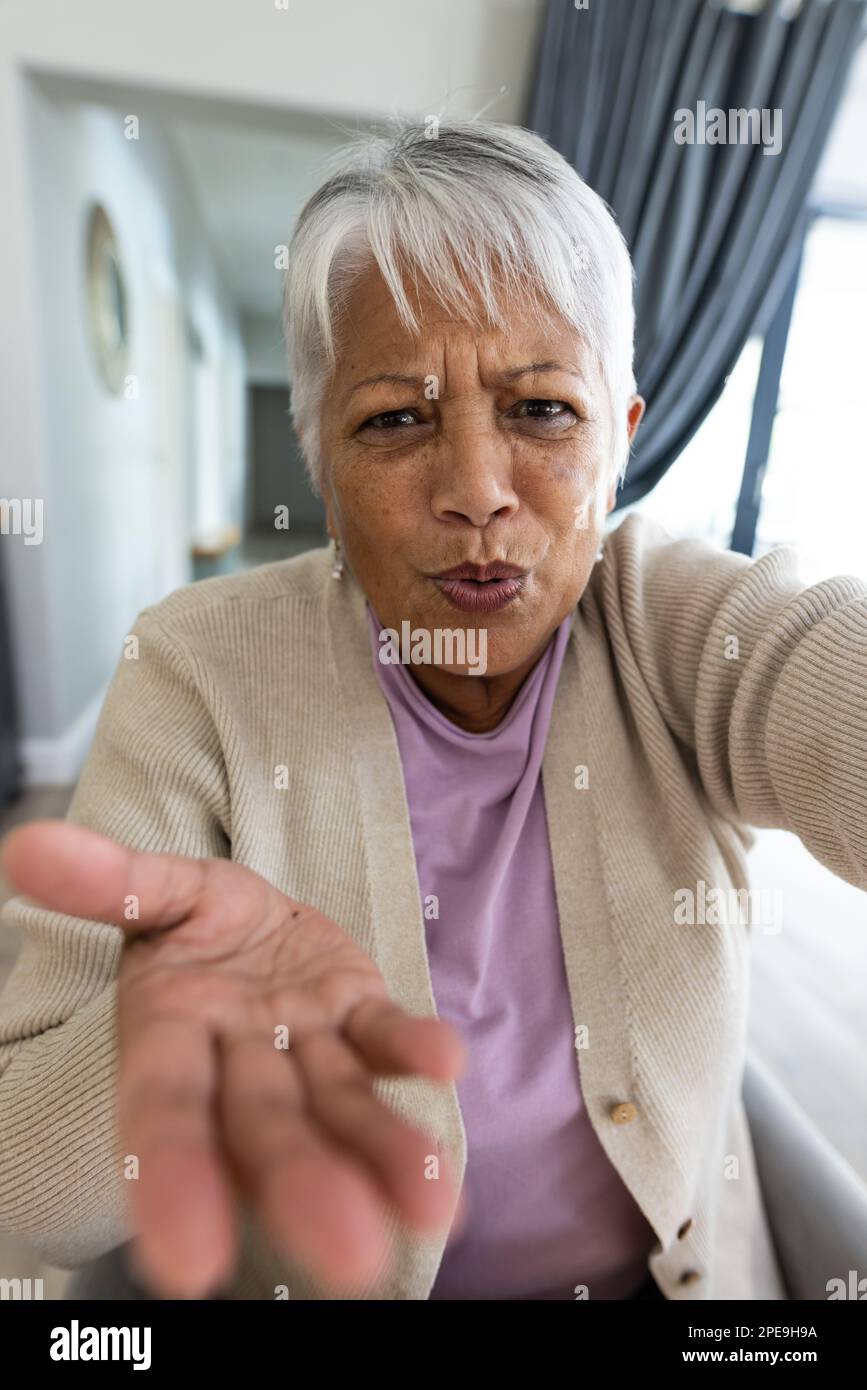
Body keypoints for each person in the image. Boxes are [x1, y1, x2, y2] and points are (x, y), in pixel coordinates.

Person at [1, 121, 865, 1301]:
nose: (475, 492)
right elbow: (21, 1191)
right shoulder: (200, 671)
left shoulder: (671, 621)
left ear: (622, 437)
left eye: (543, 411)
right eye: (395, 420)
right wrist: (163, 1035)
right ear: (319, 459)